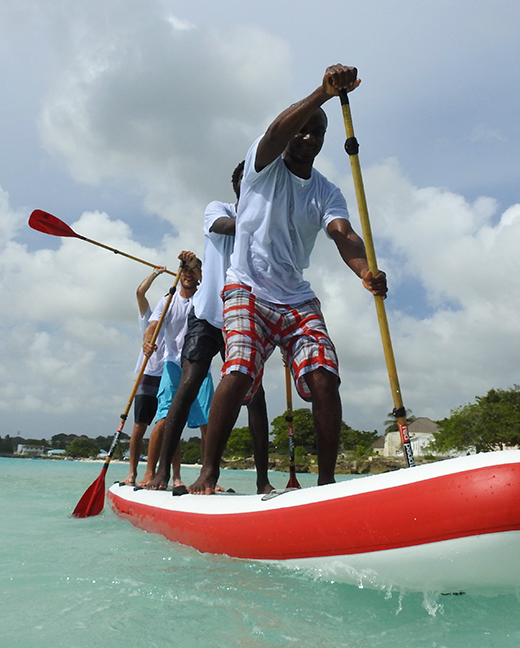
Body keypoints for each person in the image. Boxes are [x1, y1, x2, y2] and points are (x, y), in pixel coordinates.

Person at [189, 64, 387, 495]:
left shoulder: (326, 191)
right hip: (246, 289)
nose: (308, 137)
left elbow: (344, 234)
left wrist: (365, 271)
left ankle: (327, 482)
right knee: (239, 369)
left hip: (296, 298)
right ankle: (208, 473)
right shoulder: (264, 165)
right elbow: (279, 130)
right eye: (303, 129)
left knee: (324, 376)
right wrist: (322, 94)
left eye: (317, 132)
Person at [144, 162, 274, 494]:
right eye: (251, 181)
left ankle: (262, 480)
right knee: (188, 386)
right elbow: (224, 227)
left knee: (254, 397)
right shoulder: (217, 209)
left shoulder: (269, 220)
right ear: (238, 186)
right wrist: (265, 215)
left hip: (245, 316)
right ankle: (160, 473)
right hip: (207, 316)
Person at [137, 253, 211, 488]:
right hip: (172, 365)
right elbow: (151, 326)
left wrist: (195, 263)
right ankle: (150, 472)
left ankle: (209, 475)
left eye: (192, 271)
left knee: (207, 424)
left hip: (201, 365)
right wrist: (147, 342)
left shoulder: (205, 297)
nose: (188, 274)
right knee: (163, 419)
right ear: (179, 276)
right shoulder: (168, 300)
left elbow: (208, 280)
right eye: (184, 271)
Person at [123, 266, 168, 485]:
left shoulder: (177, 321)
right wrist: (155, 273)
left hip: (167, 377)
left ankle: (160, 474)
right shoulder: (148, 319)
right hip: (147, 375)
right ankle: (132, 473)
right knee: (139, 427)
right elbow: (140, 293)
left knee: (165, 425)